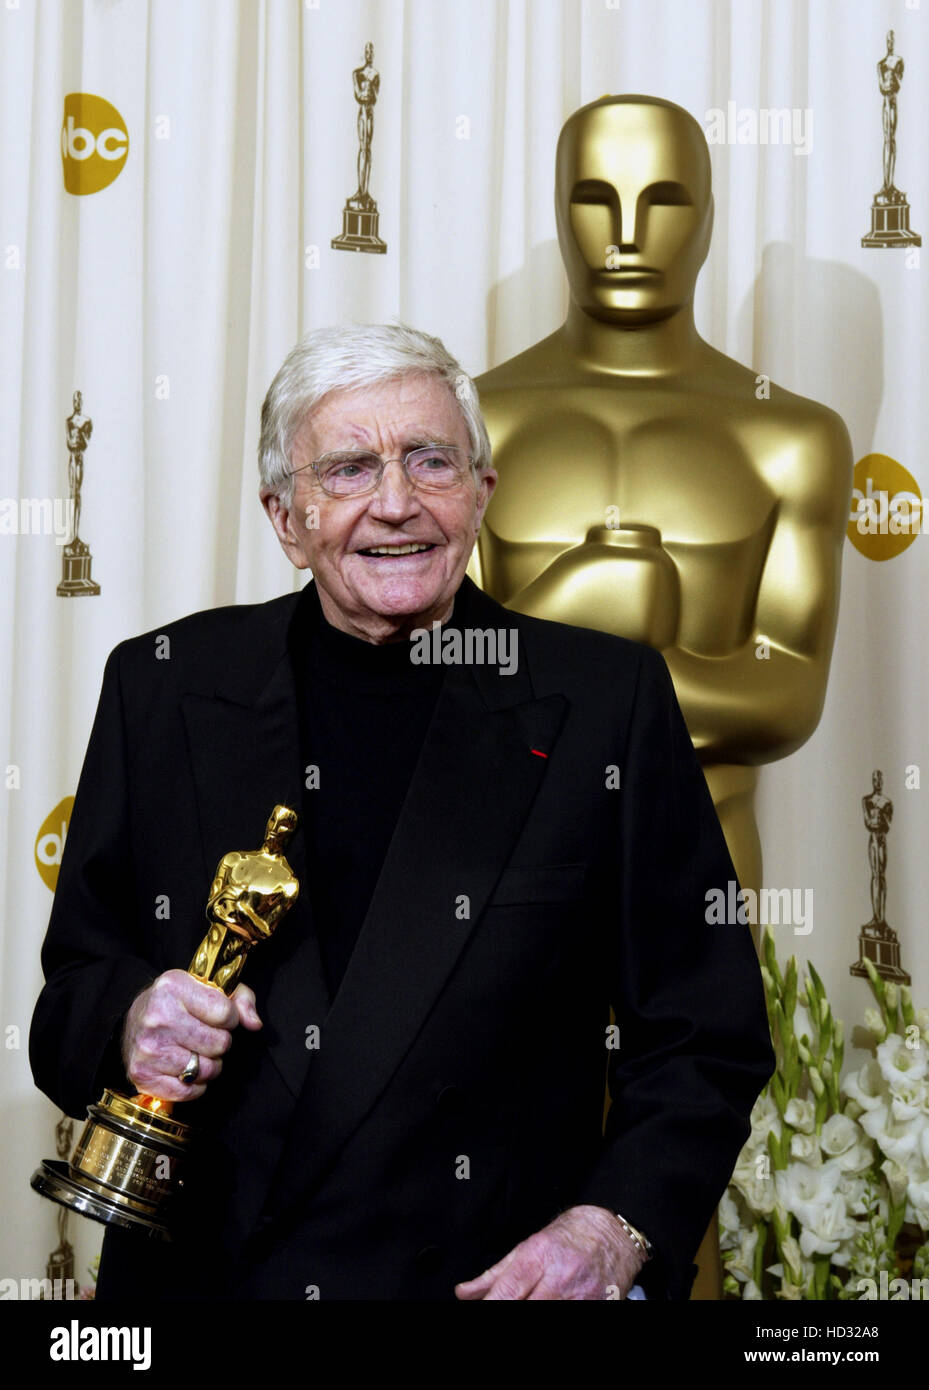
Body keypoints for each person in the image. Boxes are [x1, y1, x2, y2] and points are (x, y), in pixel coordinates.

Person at [30, 322, 774, 1301]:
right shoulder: (162, 686)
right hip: (210, 1282)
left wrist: (611, 1230)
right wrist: (132, 1020)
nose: (395, 503)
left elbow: (704, 1032)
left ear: (481, 492)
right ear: (284, 517)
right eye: (347, 469)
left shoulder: (605, 700)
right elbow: (69, 996)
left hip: (484, 1283)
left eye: (430, 460)